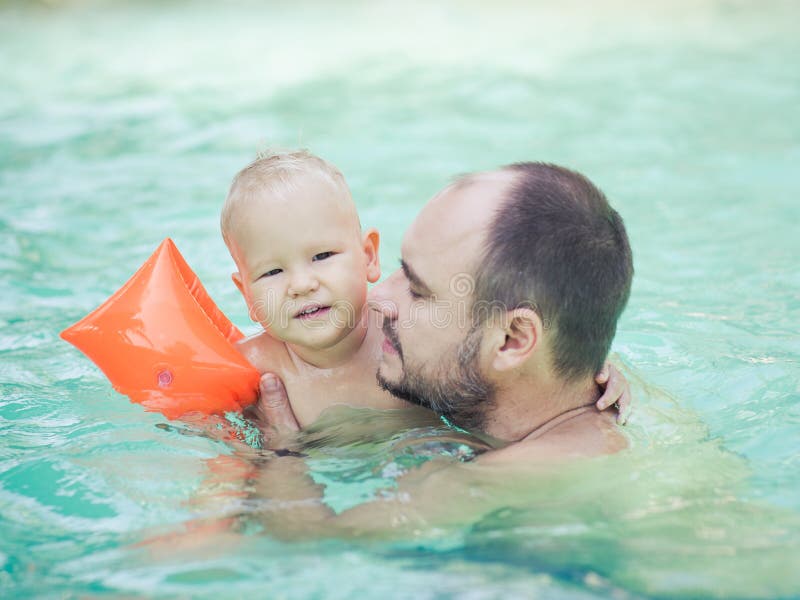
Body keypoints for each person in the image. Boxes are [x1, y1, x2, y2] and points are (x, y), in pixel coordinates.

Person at [254, 161, 634, 462]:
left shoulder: (499, 483)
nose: (376, 298)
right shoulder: (600, 402)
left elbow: (305, 545)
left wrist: (282, 455)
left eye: (417, 289)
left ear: (513, 341)